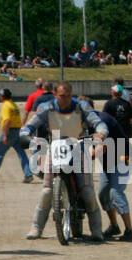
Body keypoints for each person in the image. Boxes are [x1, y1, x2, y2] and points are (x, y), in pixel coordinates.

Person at [20, 81, 109, 242]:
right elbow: (30, 125)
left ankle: (96, 230)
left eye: (68, 96)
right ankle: (36, 227)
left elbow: (97, 122)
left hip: (78, 147)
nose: (66, 99)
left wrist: (101, 133)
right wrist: (26, 134)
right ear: (55, 94)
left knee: (87, 191)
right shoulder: (46, 108)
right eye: (62, 96)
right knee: (47, 190)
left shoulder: (82, 106)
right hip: (54, 148)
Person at [93, 109, 132, 241]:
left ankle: (130, 230)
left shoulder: (103, 122)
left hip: (124, 157)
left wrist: (83, 157)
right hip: (108, 161)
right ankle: (114, 226)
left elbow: (102, 148)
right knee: (103, 194)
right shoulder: (87, 123)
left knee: (115, 192)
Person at [0, 88, 33, 183]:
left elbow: (7, 121)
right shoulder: (14, 105)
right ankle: (28, 174)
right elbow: (10, 119)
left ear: (2, 96)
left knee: (0, 153)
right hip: (16, 132)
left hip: (9, 132)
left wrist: (5, 136)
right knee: (21, 154)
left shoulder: (5, 106)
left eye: (0, 95)